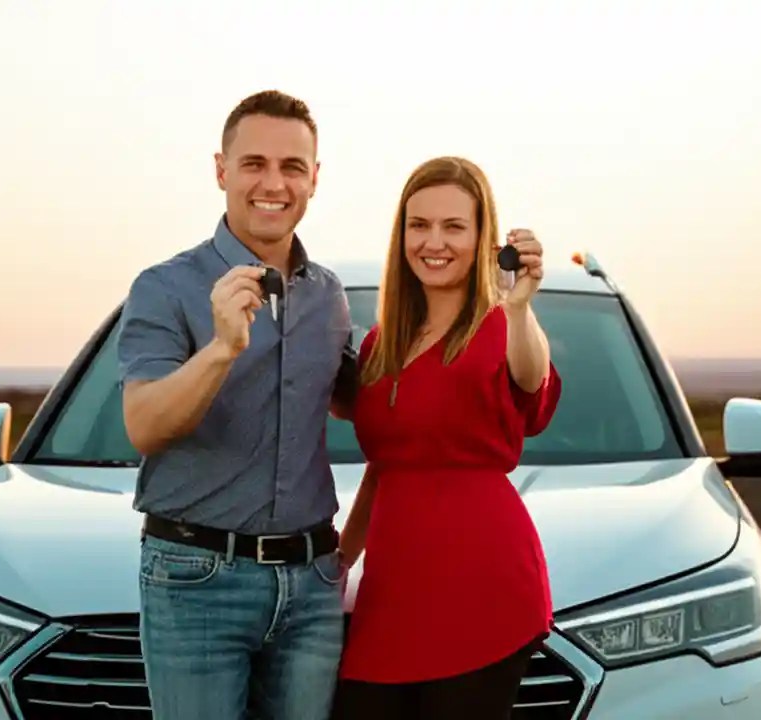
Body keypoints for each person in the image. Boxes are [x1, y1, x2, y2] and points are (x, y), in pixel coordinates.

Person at [117, 90, 359, 720]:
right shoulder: (163, 288)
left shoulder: (330, 297)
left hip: (313, 582)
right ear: (221, 170)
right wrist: (223, 347)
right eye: (253, 163)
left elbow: (375, 405)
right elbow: (143, 425)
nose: (272, 183)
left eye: (292, 167)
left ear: (314, 179)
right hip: (197, 580)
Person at [331, 156, 562, 719]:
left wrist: (520, 306)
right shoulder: (381, 344)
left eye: (453, 226)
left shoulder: (503, 326)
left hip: (482, 586)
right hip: (393, 589)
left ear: (483, 237)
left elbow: (532, 379)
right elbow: (386, 466)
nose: (434, 242)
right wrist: (340, 560)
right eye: (420, 225)